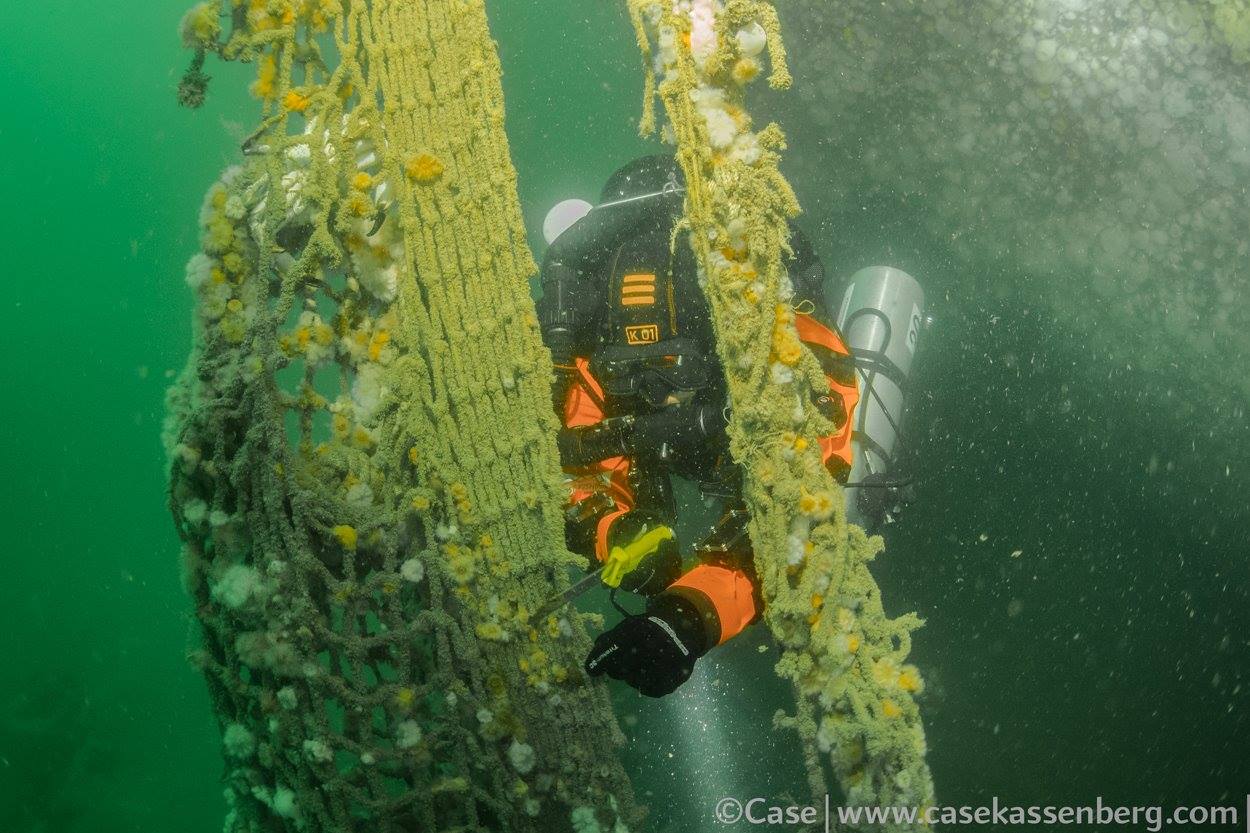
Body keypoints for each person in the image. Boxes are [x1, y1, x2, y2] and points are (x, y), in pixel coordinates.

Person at [536, 155, 859, 697]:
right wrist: (613, 529)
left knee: (838, 529)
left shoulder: (784, 345)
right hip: (695, 442)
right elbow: (578, 472)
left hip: (770, 448)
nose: (662, 394)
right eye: (636, 374)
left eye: (677, 368)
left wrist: (687, 617)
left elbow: (801, 520)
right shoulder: (588, 343)